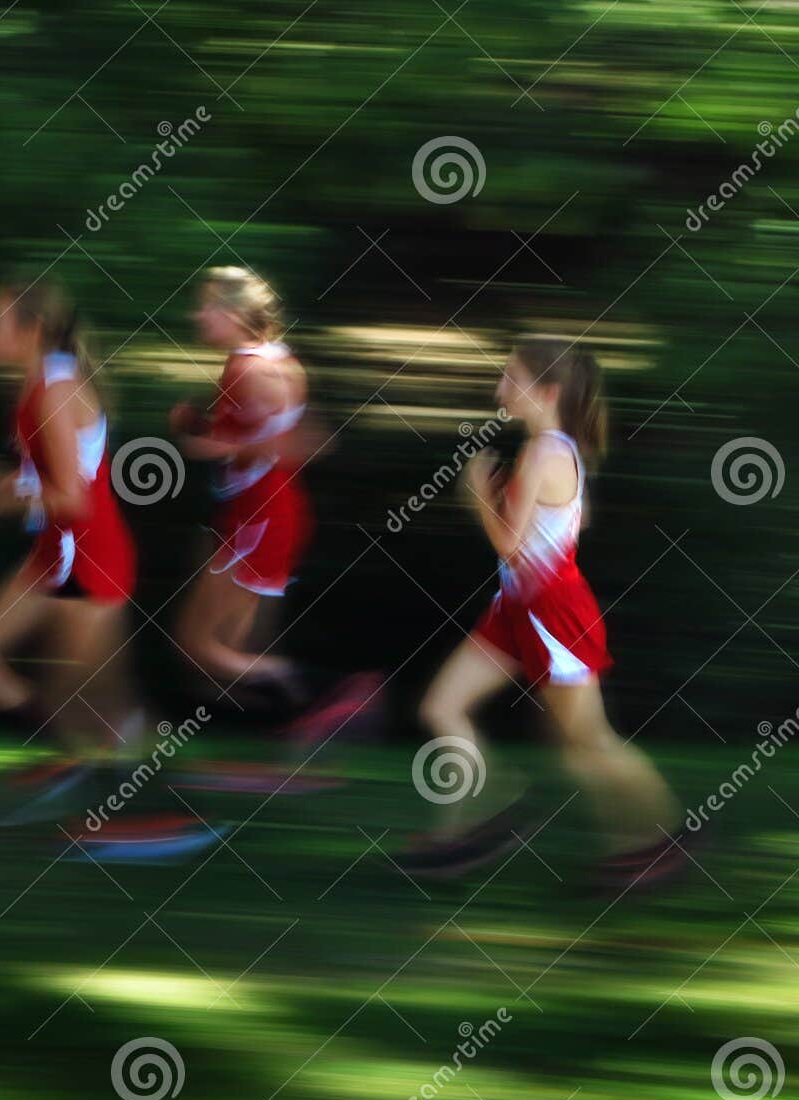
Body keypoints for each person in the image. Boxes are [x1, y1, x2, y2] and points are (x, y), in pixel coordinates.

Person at [406, 339, 684, 887]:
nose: (500, 389)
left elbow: (510, 544)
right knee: (443, 706)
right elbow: (561, 533)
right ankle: (481, 813)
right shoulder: (556, 451)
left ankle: (660, 838)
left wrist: (477, 498)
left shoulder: (544, 453)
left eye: (511, 378)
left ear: (547, 391)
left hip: (551, 614)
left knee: (587, 743)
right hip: (516, 608)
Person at [0, 278, 142, 818]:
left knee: (84, 704)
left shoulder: (54, 391)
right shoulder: (37, 386)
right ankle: (85, 767)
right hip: (57, 557)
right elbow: (43, 483)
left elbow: (72, 501)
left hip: (89, 561)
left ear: (32, 330)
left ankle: (117, 800)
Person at [170, 266, 378, 745]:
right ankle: (291, 730)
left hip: (258, 515)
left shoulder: (245, 366)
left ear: (235, 312)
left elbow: (262, 445)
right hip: (268, 511)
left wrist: (189, 432)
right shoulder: (280, 359)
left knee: (197, 645)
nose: (198, 315)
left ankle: (327, 695)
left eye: (207, 306)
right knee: (230, 650)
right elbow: (269, 436)